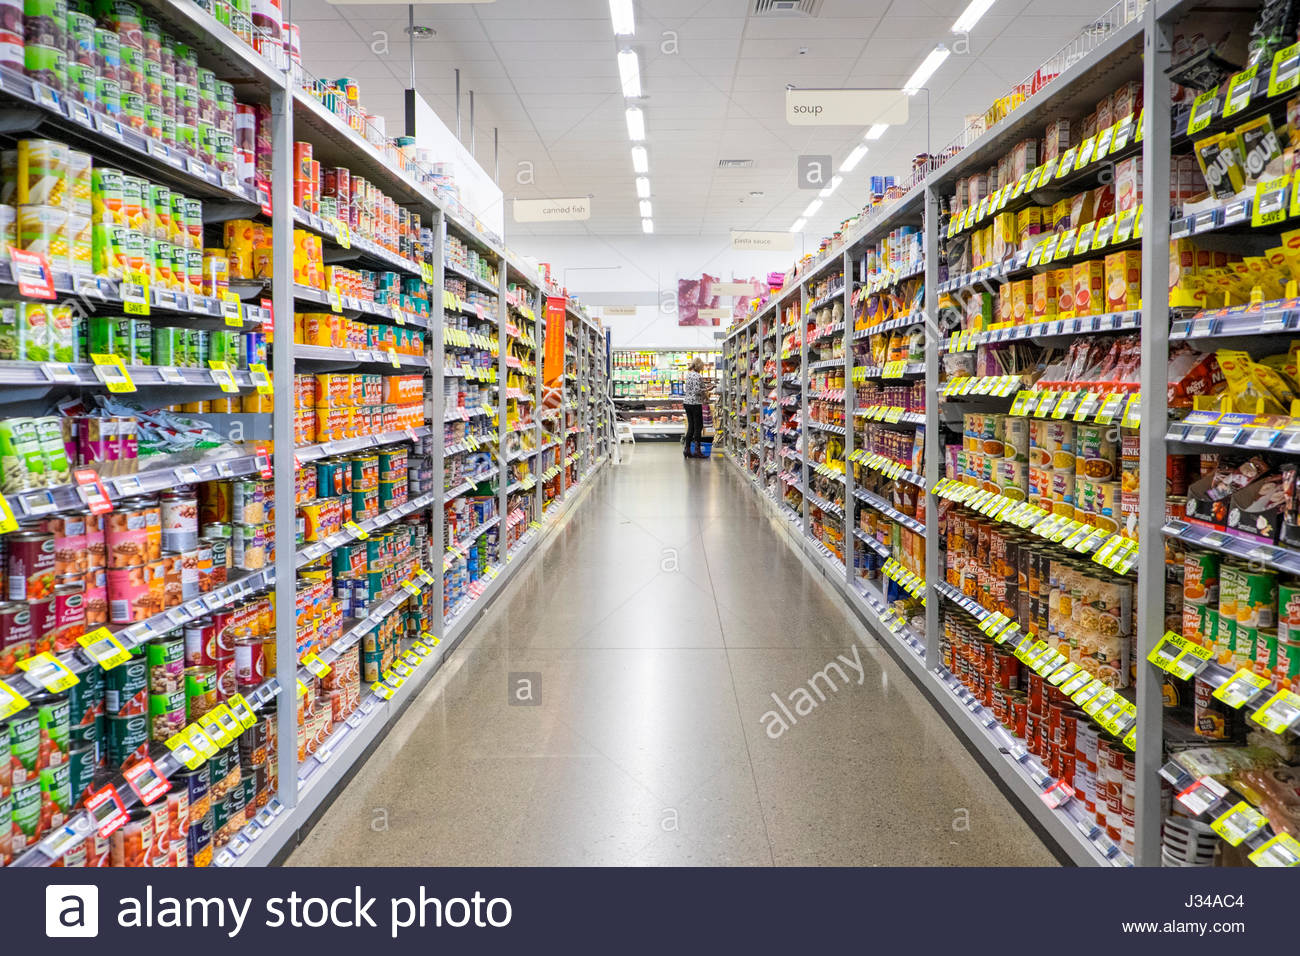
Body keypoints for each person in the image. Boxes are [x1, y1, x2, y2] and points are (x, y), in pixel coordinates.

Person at [682, 356, 711, 459]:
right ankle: (697, 451)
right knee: (698, 427)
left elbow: (690, 389)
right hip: (695, 404)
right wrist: (708, 389)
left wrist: (705, 389)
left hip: (687, 403)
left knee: (691, 426)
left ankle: (687, 449)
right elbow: (699, 391)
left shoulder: (688, 375)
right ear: (699, 366)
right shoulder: (698, 376)